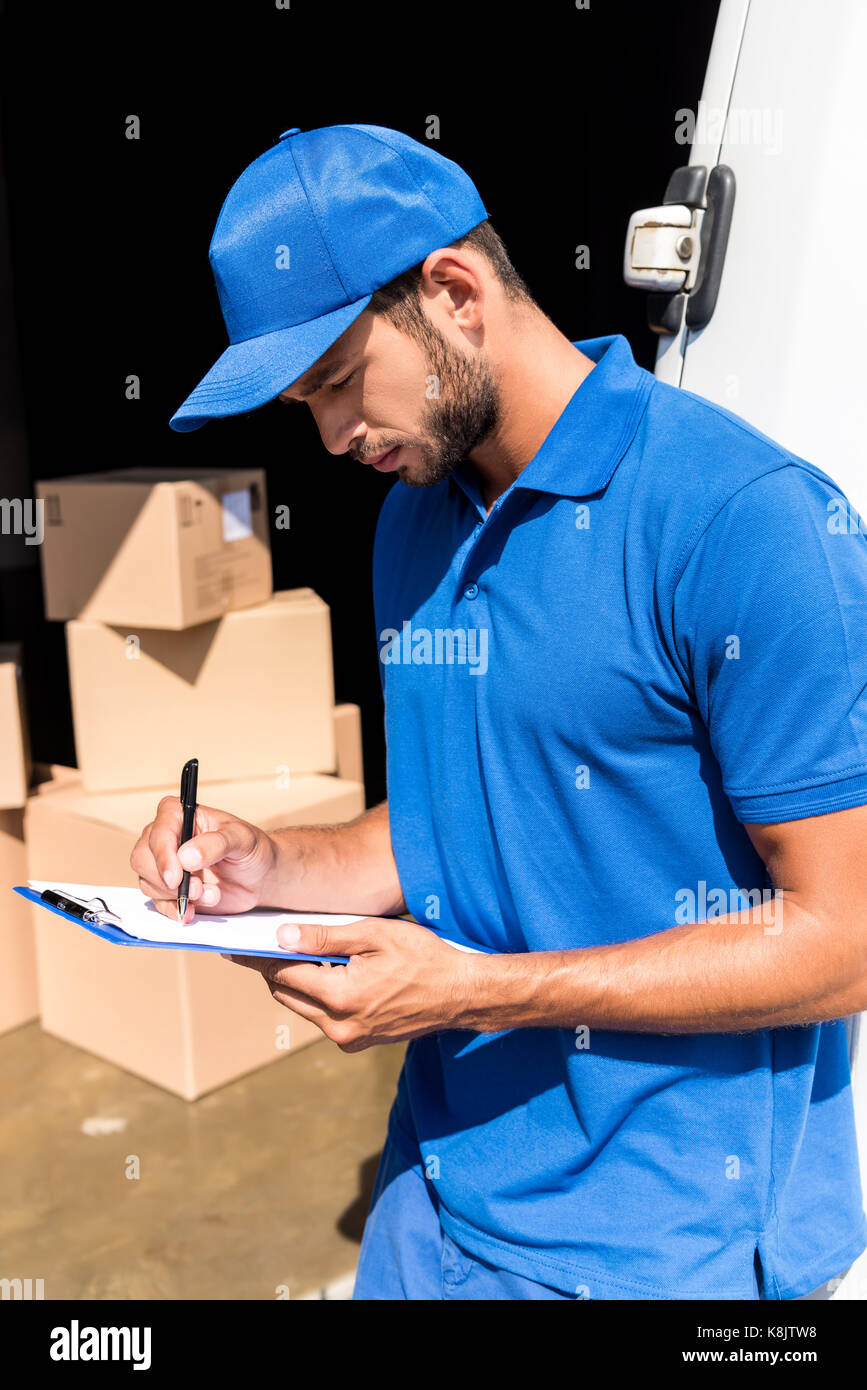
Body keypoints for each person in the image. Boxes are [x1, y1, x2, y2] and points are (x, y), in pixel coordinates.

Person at [132, 123, 867, 1300]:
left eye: (334, 382)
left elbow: (846, 939)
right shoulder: (413, 518)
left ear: (455, 291)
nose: (329, 437)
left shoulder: (746, 521)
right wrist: (271, 863)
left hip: (665, 1252)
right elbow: (452, 821)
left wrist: (475, 989)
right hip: (434, 1202)